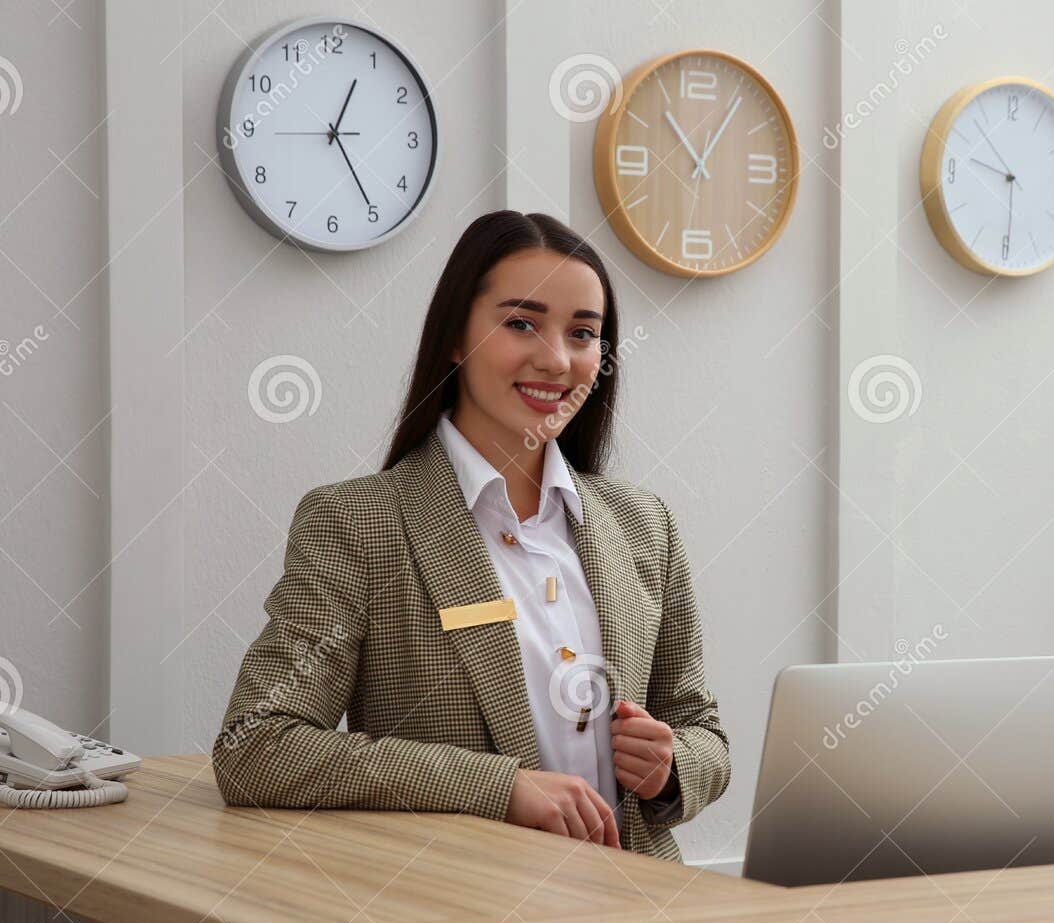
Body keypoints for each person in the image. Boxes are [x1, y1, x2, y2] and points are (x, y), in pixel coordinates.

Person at [211, 210, 730, 863]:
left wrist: (671, 765)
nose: (556, 358)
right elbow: (256, 745)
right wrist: (498, 788)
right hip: (461, 916)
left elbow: (703, 730)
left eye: (583, 333)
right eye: (521, 323)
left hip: (635, 916)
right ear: (456, 335)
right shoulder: (359, 524)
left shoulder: (643, 524)